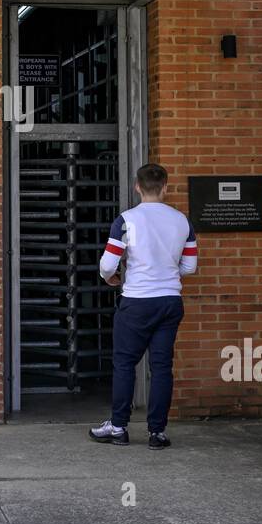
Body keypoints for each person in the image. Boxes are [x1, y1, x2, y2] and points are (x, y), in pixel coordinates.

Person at [90, 163, 197, 450]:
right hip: (169, 301)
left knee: (125, 363)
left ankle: (119, 427)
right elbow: (189, 266)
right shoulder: (182, 221)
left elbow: (108, 263)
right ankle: (157, 433)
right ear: (165, 187)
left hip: (136, 301)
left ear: (137, 186)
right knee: (162, 367)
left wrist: (109, 277)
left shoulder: (126, 221)